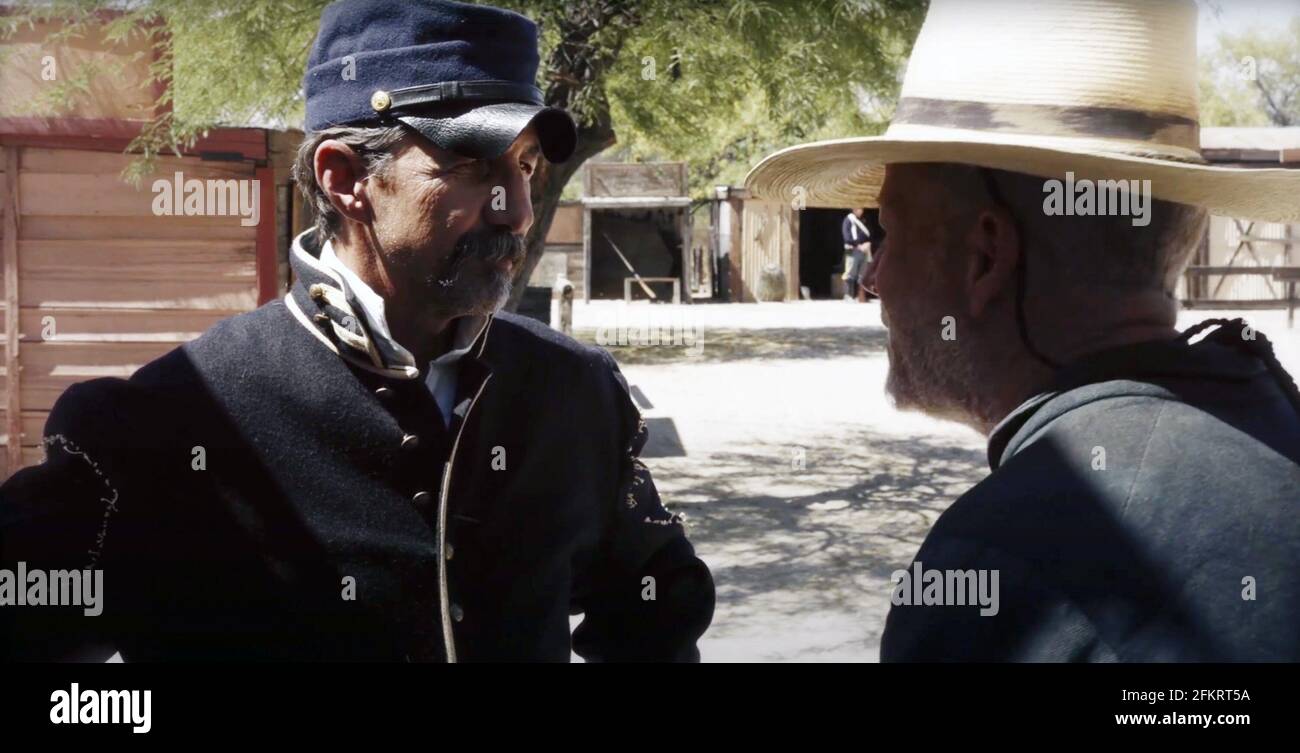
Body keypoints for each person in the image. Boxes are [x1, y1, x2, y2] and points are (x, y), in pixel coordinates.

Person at [0, 0, 714, 662]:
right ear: (344, 178)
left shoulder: (573, 394)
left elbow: (657, 610)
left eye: (527, 167)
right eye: (473, 165)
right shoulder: (161, 427)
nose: (519, 210)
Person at [747, 0, 1300, 661]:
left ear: (984, 257)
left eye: (889, 233)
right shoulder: (1275, 427)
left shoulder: (999, 567)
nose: (874, 278)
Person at [841, 207, 872, 301]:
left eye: (862, 209)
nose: (861, 211)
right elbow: (846, 237)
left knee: (863, 274)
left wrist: (868, 243)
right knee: (850, 273)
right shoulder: (848, 220)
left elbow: (869, 235)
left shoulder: (864, 220)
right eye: (859, 209)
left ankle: (861, 296)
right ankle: (848, 295)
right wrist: (858, 245)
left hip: (865, 250)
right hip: (853, 250)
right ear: (854, 209)